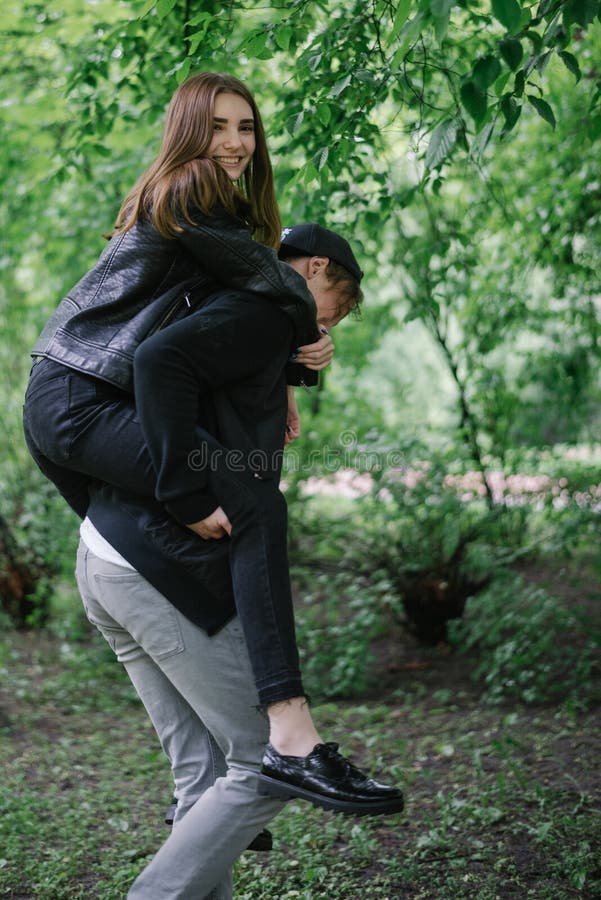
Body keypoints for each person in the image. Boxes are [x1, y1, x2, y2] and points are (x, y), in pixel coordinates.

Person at [22, 71, 401, 800]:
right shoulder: (190, 185)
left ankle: (199, 790)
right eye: (218, 126)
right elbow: (276, 283)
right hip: (83, 398)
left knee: (159, 546)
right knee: (252, 506)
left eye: (246, 128)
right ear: (190, 131)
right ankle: (290, 736)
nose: (234, 143)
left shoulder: (200, 209)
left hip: (70, 397)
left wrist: (287, 366)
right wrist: (301, 331)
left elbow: (216, 320)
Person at [75, 230, 404, 898]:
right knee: (262, 763)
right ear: (314, 269)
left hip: (105, 555)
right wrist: (186, 494)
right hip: (156, 568)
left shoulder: (225, 305)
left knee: (202, 780)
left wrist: (297, 365)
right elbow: (162, 363)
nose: (327, 326)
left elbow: (198, 380)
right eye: (334, 308)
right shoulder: (267, 310)